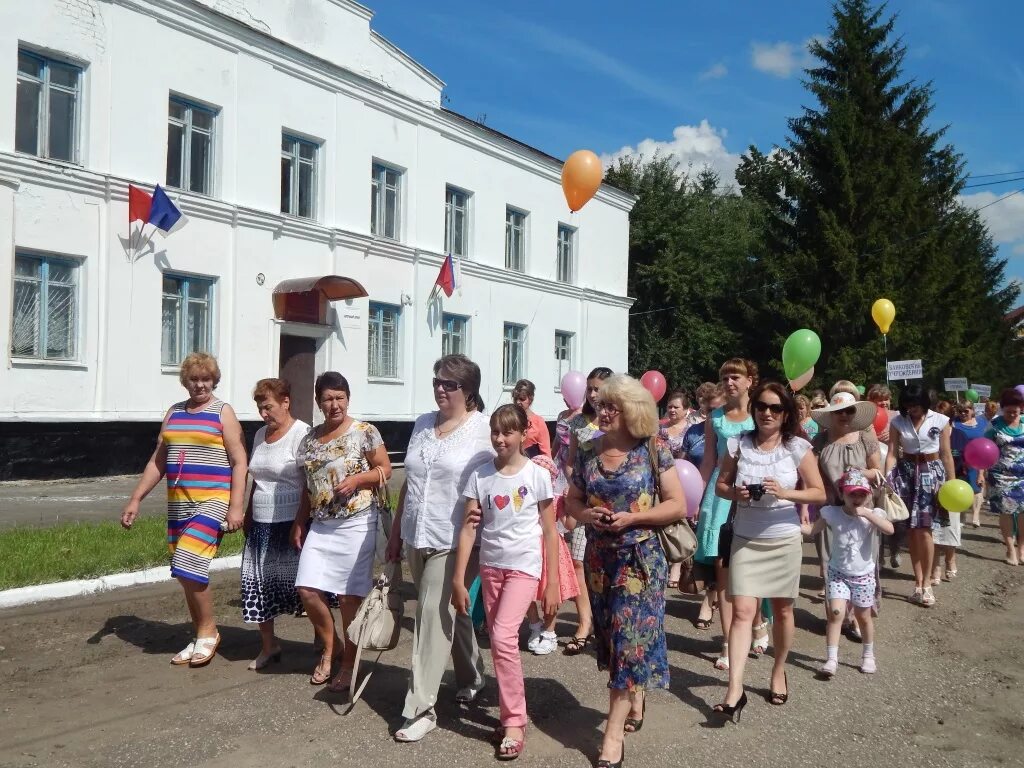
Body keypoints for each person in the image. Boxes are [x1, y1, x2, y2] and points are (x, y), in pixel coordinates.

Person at [565, 374, 685, 767]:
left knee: (627, 638)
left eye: (612, 406)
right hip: (600, 561)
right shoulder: (587, 450)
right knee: (613, 640)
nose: (603, 411)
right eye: (600, 404)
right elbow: (572, 502)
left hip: (640, 562)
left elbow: (677, 505)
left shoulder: (653, 447)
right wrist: (589, 515)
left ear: (632, 411)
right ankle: (636, 693)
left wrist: (633, 520)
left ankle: (611, 737)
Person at [386, 354, 493, 743]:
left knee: (431, 614)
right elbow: (410, 486)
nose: (440, 389)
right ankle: (472, 675)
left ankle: (420, 708)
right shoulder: (422, 425)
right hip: (416, 533)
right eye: (437, 381)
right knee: (454, 611)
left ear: (468, 391)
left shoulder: (483, 430)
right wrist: (396, 534)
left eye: (449, 384)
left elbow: (502, 475)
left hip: (455, 540)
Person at [121, 353, 248, 667]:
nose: (200, 385)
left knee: (187, 559)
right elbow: (158, 461)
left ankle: (208, 633)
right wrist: (136, 498)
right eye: (194, 379)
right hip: (179, 504)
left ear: (214, 380)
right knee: (184, 571)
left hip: (213, 502)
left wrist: (235, 507)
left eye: (206, 379)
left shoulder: (223, 412)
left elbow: (239, 461)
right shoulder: (174, 413)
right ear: (186, 382)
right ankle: (200, 631)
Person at [452, 404, 560, 761]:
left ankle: (514, 721)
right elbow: (468, 528)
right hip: (491, 567)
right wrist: (458, 578)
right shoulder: (481, 476)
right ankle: (510, 709)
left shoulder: (537, 476)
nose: (500, 438)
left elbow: (549, 530)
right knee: (501, 644)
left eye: (508, 432)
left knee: (502, 637)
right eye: (495, 432)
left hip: (524, 568)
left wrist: (554, 583)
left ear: (524, 433)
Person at [713, 381, 826, 719]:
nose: (766, 413)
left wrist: (786, 493)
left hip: (784, 537)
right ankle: (735, 688)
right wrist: (737, 494)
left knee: (783, 610)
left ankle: (779, 669)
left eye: (775, 408)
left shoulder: (797, 448)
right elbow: (721, 485)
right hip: (746, 538)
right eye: (761, 406)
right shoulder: (737, 445)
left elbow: (819, 493)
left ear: (786, 413)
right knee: (743, 612)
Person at [291, 372, 391, 692]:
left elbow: (385, 470)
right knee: (307, 589)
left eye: (340, 397)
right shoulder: (309, 439)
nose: (334, 405)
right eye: (327, 398)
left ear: (348, 398)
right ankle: (331, 646)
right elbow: (308, 487)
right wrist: (299, 521)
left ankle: (349, 664)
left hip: (357, 522)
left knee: (349, 598)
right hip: (321, 525)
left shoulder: (365, 432)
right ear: (319, 402)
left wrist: (358, 480)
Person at [241, 378, 308, 670]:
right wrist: (246, 513)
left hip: (292, 522)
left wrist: (300, 522)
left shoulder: (302, 433)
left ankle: (325, 640)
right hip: (261, 523)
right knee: (256, 582)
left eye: (268, 407)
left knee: (306, 587)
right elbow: (256, 478)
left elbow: (309, 484)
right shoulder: (259, 435)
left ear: (285, 402)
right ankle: (269, 646)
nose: (263, 414)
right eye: (259, 408)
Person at [695, 358, 758, 669]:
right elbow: (708, 460)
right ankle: (728, 642)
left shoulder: (762, 414)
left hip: (753, 492)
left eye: (736, 376)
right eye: (725, 377)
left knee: (752, 569)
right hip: (719, 494)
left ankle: (757, 623)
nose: (730, 382)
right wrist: (697, 499)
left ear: (750, 381)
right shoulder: (715, 418)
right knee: (722, 567)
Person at [803, 468, 894, 676]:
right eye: (852, 493)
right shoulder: (831, 513)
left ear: (869, 495)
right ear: (842, 493)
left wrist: (868, 514)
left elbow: (889, 529)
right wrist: (793, 525)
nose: (857, 498)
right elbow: (813, 530)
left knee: (863, 617)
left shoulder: (874, 514)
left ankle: (868, 655)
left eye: (862, 494)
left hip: (864, 575)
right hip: (837, 573)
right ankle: (831, 660)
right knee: (835, 614)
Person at [810, 389, 882, 616]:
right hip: (831, 510)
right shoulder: (820, 440)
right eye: (838, 411)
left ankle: (859, 616)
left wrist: (860, 472)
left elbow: (878, 472)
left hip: (862, 511)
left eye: (849, 411)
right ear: (831, 414)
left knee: (863, 562)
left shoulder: (865, 437)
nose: (844, 415)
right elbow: (811, 474)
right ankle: (836, 614)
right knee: (831, 562)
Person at [884, 383, 955, 606]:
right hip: (906, 474)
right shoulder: (898, 421)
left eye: (915, 405)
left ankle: (927, 584)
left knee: (925, 531)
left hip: (931, 475)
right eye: (907, 405)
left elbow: (945, 454)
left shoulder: (940, 420)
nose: (911, 409)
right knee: (912, 532)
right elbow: (893, 453)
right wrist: (888, 477)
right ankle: (918, 583)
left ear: (923, 402)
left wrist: (951, 483)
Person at [561, 366, 613, 655]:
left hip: (612, 507)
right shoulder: (578, 422)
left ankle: (607, 621)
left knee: (604, 566)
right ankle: (585, 622)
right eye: (590, 388)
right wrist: (576, 491)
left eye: (599, 389)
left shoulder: (617, 420)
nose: (593, 394)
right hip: (583, 502)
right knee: (578, 562)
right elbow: (569, 462)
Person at [524, 454, 580, 656]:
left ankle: (549, 631)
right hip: (527, 546)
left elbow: (569, 524)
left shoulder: (556, 499)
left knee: (551, 589)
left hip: (551, 548)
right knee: (525, 590)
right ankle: (534, 624)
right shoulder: (522, 496)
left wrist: (571, 503)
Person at [985, 388, 1024, 566]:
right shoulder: (994, 426)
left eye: (1014, 412)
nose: (1011, 415)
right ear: (1002, 409)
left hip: (1023, 475)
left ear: (1021, 408)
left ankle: (1022, 548)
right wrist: (981, 472)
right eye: (1008, 412)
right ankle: (1010, 549)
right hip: (1000, 476)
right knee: (1006, 511)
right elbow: (983, 449)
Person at [951, 401, 987, 529]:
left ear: (972, 410)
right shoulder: (955, 423)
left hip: (978, 459)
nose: (963, 413)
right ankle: (962, 515)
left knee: (977, 486)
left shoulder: (982, 423)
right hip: (960, 460)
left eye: (966, 411)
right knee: (961, 489)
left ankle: (976, 515)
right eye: (960, 411)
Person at [512, 379, 551, 458]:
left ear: (530, 399)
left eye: (522, 399)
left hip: (532, 466)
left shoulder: (538, 422)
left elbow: (546, 454)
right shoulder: (510, 417)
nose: (518, 402)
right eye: (516, 398)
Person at [660, 390, 693, 459]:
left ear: (686, 410)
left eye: (676, 407)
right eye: (670, 407)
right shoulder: (659, 429)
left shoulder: (692, 430)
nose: (672, 410)